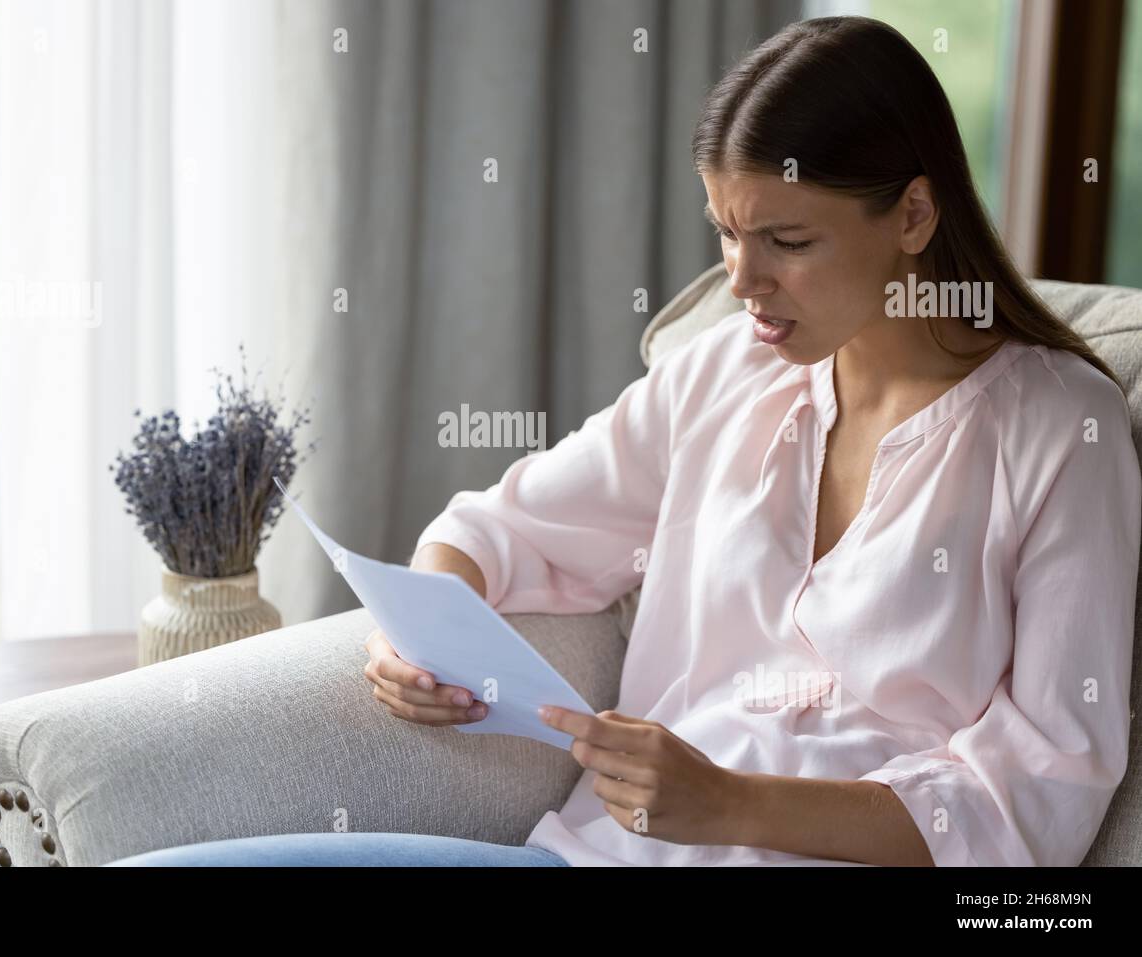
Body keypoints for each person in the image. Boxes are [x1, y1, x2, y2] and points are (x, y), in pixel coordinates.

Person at [107, 15, 1140, 868]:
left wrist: (732, 804)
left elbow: (1037, 798)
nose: (742, 282)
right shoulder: (722, 374)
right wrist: (412, 639)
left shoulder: (1059, 434)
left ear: (913, 215)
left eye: (787, 241)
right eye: (727, 234)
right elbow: (497, 529)